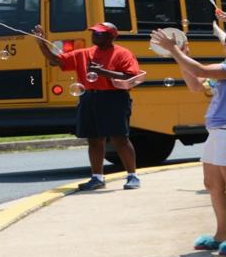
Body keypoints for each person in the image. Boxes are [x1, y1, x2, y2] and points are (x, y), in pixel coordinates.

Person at [154, 21, 226, 257]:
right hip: (220, 131)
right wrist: (181, 57)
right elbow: (196, 85)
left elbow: (201, 71)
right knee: (213, 185)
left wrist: (174, 49)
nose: (225, 45)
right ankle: (222, 235)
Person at [31, 21, 146, 191]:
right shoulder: (84, 53)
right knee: (94, 139)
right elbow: (56, 61)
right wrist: (41, 43)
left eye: (99, 33)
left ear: (111, 37)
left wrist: (103, 72)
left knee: (119, 138)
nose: (94, 36)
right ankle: (97, 177)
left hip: (114, 97)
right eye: (93, 33)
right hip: (90, 98)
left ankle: (132, 176)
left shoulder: (122, 53)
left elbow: (130, 76)